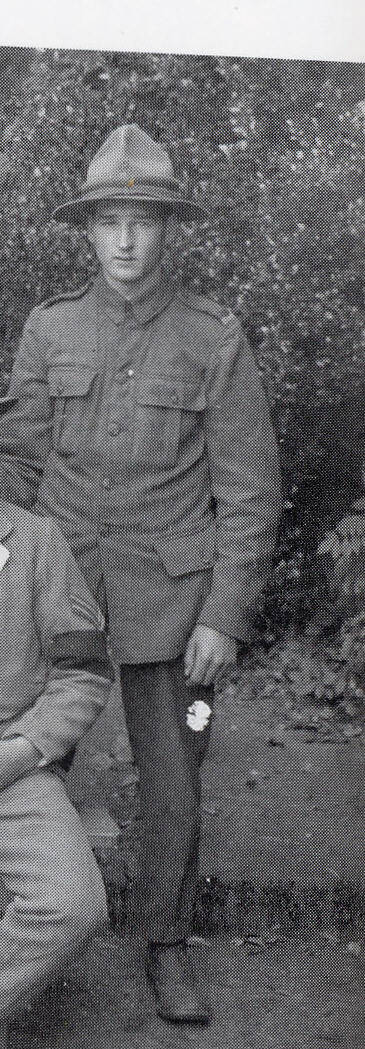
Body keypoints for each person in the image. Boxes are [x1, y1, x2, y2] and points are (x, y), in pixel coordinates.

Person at [0, 124, 282, 1025]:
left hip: (175, 601)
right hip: (63, 593)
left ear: (170, 230)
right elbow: (19, 467)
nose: (126, 241)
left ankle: (164, 942)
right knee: (30, 758)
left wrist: (225, 615)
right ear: (86, 230)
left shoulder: (213, 337)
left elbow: (250, 491)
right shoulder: (49, 328)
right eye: (110, 221)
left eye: (145, 222)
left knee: (172, 781)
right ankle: (28, 919)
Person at [0, 491, 113, 1049]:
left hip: (10, 765)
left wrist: (21, 750)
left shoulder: (38, 544)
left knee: (70, 904)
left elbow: (84, 670)